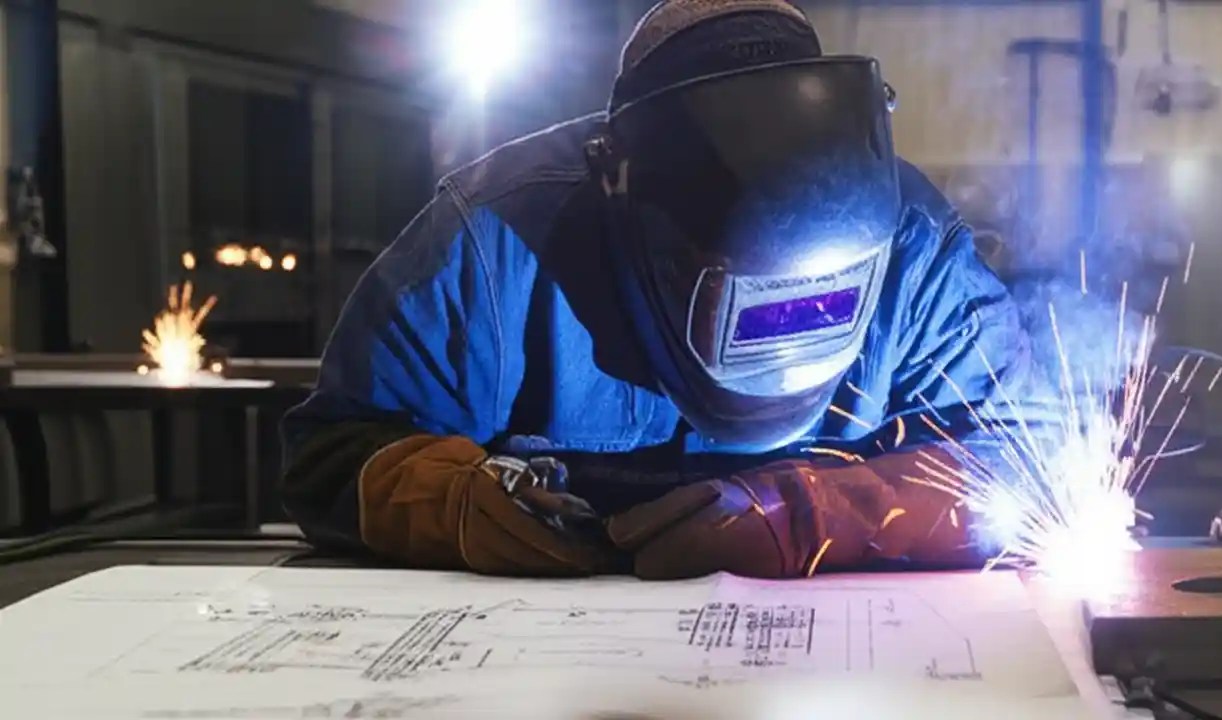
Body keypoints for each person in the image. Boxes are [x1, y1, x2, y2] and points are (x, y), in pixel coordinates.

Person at [280, 0, 1035, 580]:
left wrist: (824, 514)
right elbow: (330, 455)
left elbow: (1029, 460)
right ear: (621, 186)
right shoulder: (494, 242)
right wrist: (452, 502)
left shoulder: (913, 245)